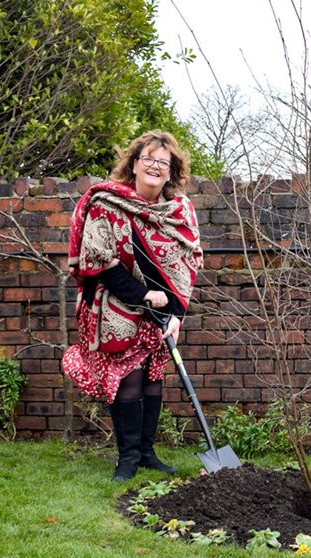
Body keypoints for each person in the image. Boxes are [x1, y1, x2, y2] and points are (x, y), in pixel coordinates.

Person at [62, 131, 204, 482]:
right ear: (134, 164)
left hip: (160, 314)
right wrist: (142, 294)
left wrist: (177, 314)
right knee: (127, 381)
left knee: (152, 381)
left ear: (172, 172)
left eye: (163, 162)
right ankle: (126, 458)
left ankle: (146, 453)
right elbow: (97, 261)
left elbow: (186, 266)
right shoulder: (106, 204)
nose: (155, 166)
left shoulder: (179, 211)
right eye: (149, 159)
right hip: (115, 306)